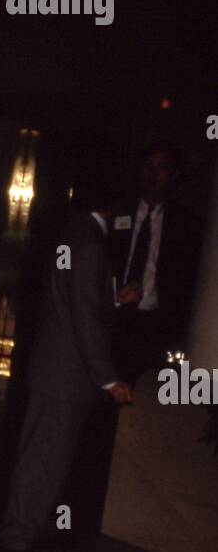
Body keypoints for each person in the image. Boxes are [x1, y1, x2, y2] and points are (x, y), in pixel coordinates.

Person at [0, 175, 134, 552]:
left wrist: (111, 298)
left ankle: (29, 528)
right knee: (43, 457)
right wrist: (109, 378)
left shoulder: (70, 233)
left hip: (56, 368)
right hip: (66, 373)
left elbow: (74, 297)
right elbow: (86, 317)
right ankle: (16, 537)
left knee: (45, 456)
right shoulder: (89, 242)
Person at [110, 142, 204, 385]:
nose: (153, 173)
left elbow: (187, 281)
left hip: (154, 325)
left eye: (161, 168)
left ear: (172, 175)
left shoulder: (185, 224)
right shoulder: (119, 212)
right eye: (148, 166)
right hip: (113, 317)